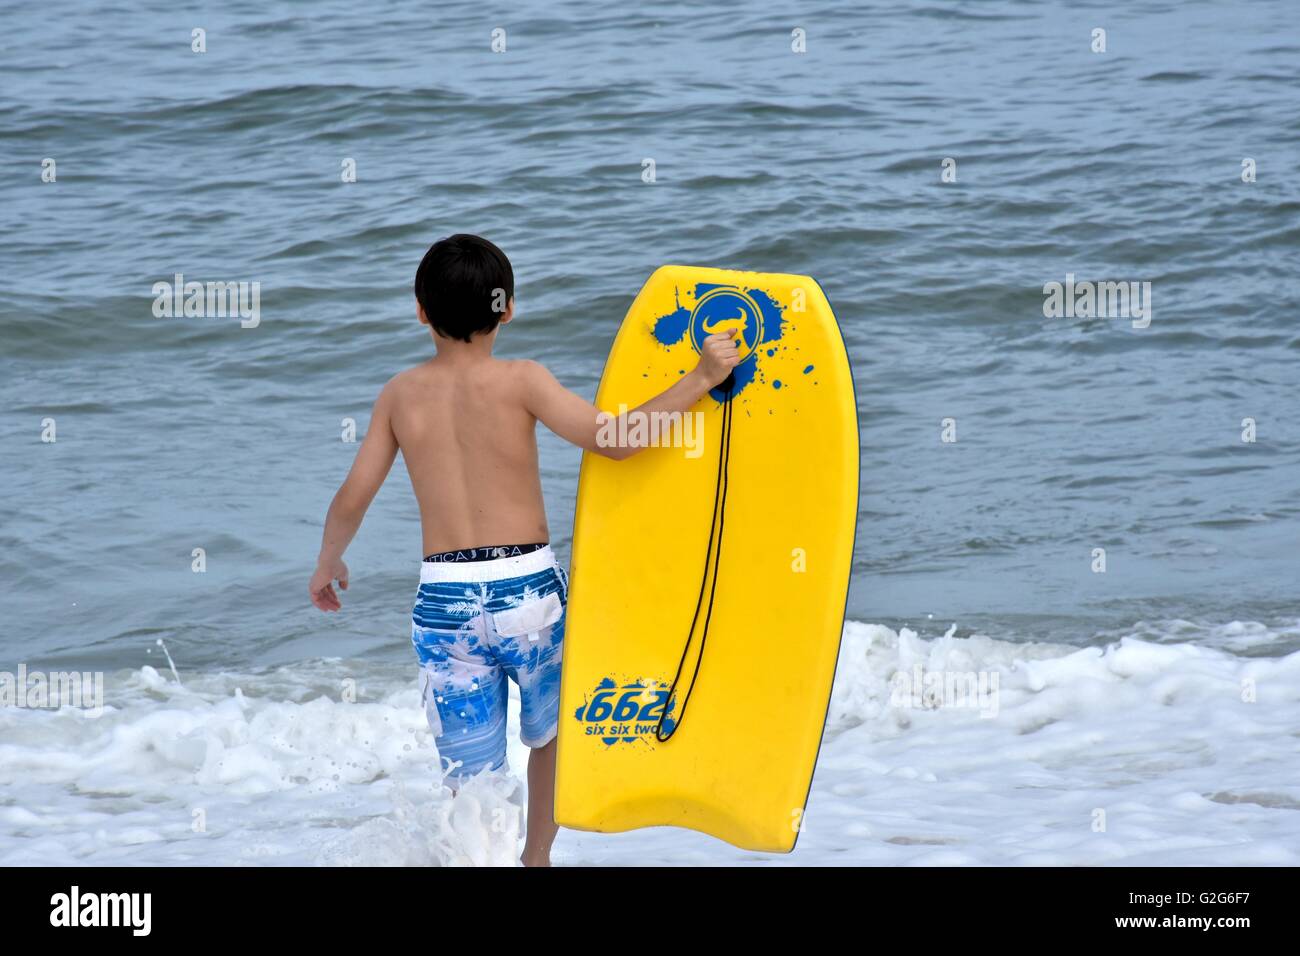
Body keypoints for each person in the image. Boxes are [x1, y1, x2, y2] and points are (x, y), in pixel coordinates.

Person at [308, 234, 739, 866]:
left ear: (420, 310)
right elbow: (616, 439)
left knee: (471, 774)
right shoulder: (523, 381)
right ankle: (535, 858)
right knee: (553, 737)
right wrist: (701, 377)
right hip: (528, 594)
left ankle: (478, 857)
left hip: (445, 605)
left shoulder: (400, 395)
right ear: (506, 309)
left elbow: (353, 494)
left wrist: (329, 561)